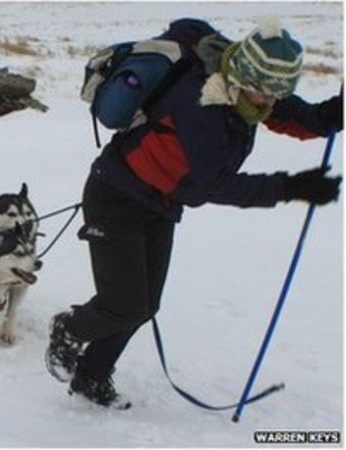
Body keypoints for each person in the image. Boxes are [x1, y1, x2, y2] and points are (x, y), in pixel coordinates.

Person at [45, 18, 343, 409]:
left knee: (145, 304)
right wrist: (291, 187)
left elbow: (296, 115)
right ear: (244, 77)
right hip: (116, 196)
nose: (269, 104)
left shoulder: (248, 83)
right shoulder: (202, 108)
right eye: (265, 95)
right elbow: (208, 187)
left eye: (276, 94)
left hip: (160, 203)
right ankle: (68, 329)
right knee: (124, 305)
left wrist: (331, 115)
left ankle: (91, 374)